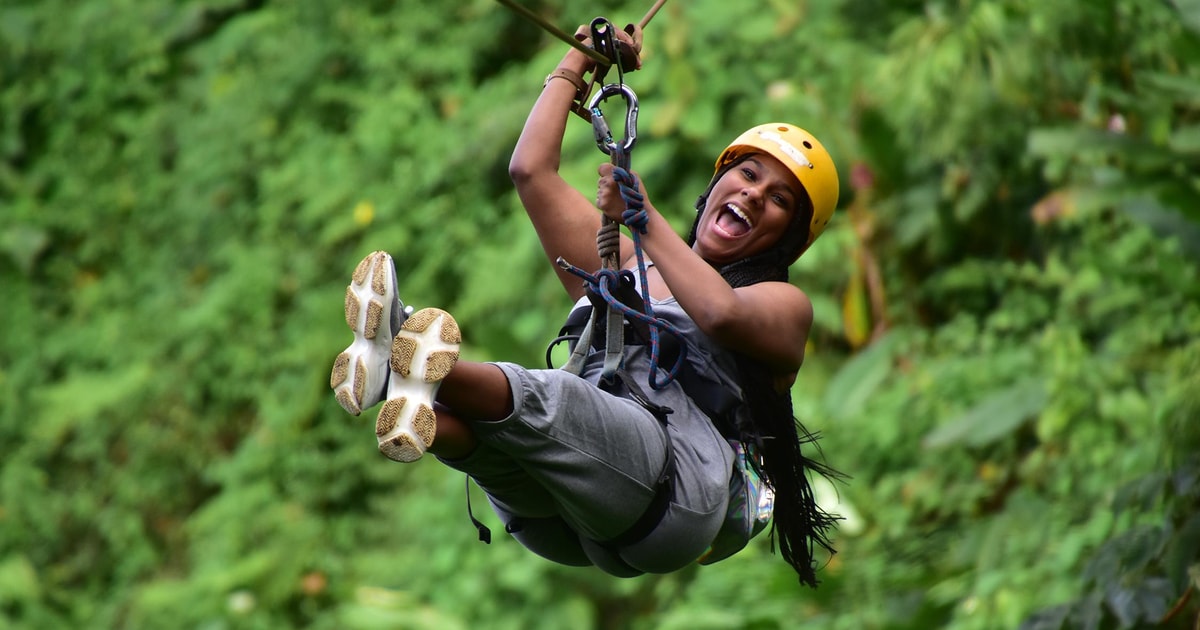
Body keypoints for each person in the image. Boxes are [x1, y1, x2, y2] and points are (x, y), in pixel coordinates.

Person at [328, 24, 840, 586]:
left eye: (778, 201)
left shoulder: (783, 305)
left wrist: (642, 216)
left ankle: (403, 356)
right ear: (718, 181)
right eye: (747, 174)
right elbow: (530, 172)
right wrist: (576, 62)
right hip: (562, 513)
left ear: (788, 238)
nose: (753, 195)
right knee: (488, 442)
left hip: (675, 493)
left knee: (555, 397)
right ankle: (407, 393)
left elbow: (719, 313)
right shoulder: (630, 262)